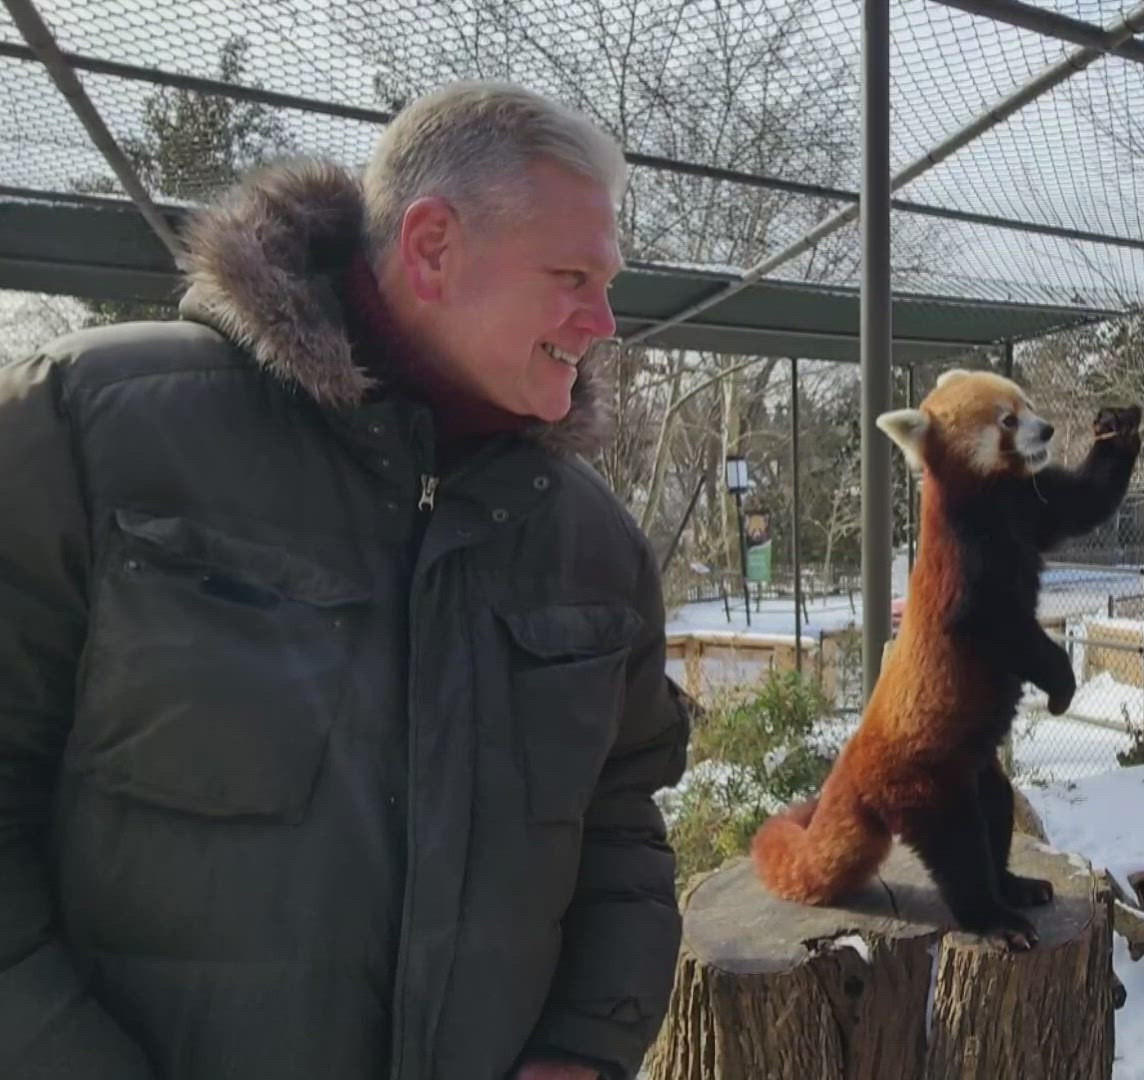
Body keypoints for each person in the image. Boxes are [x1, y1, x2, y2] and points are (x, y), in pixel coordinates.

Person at [0, 83, 690, 1079]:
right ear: (432, 247)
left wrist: (586, 1044)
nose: (604, 321)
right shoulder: (90, 432)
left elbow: (622, 816)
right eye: (573, 275)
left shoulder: (591, 544)